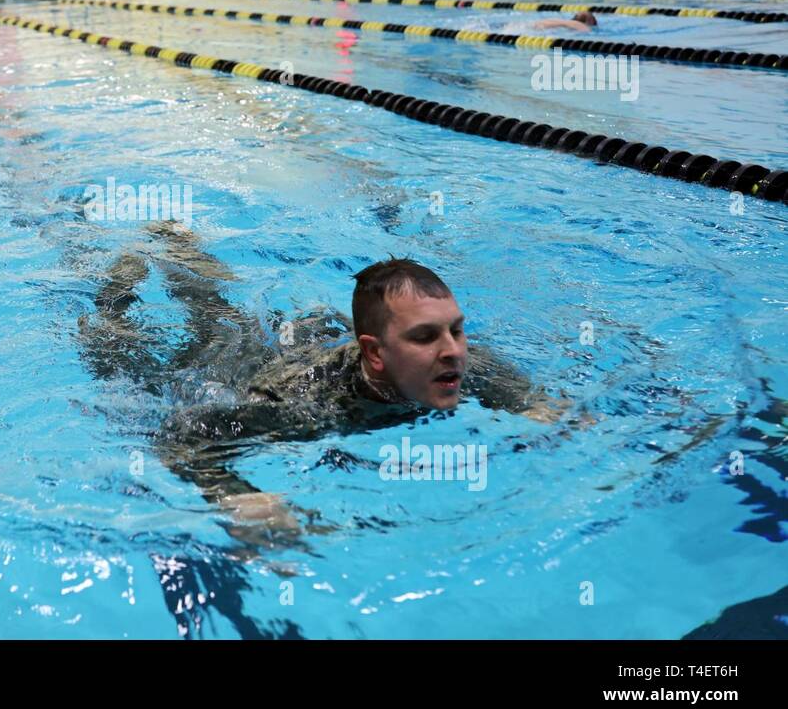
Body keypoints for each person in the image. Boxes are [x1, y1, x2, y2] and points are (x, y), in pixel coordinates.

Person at [78, 224, 563, 543]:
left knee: (226, 314)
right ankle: (139, 267)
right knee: (153, 341)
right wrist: (235, 494)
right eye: (425, 336)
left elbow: (524, 396)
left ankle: (181, 249)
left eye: (456, 329)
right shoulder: (301, 406)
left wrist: (537, 409)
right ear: (375, 352)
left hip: (308, 340)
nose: (454, 349)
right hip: (229, 366)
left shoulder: (458, 360)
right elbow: (181, 437)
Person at [530, 10, 597, 32]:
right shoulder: (582, 26)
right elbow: (587, 31)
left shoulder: (564, 21)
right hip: (543, 28)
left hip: (536, 24)